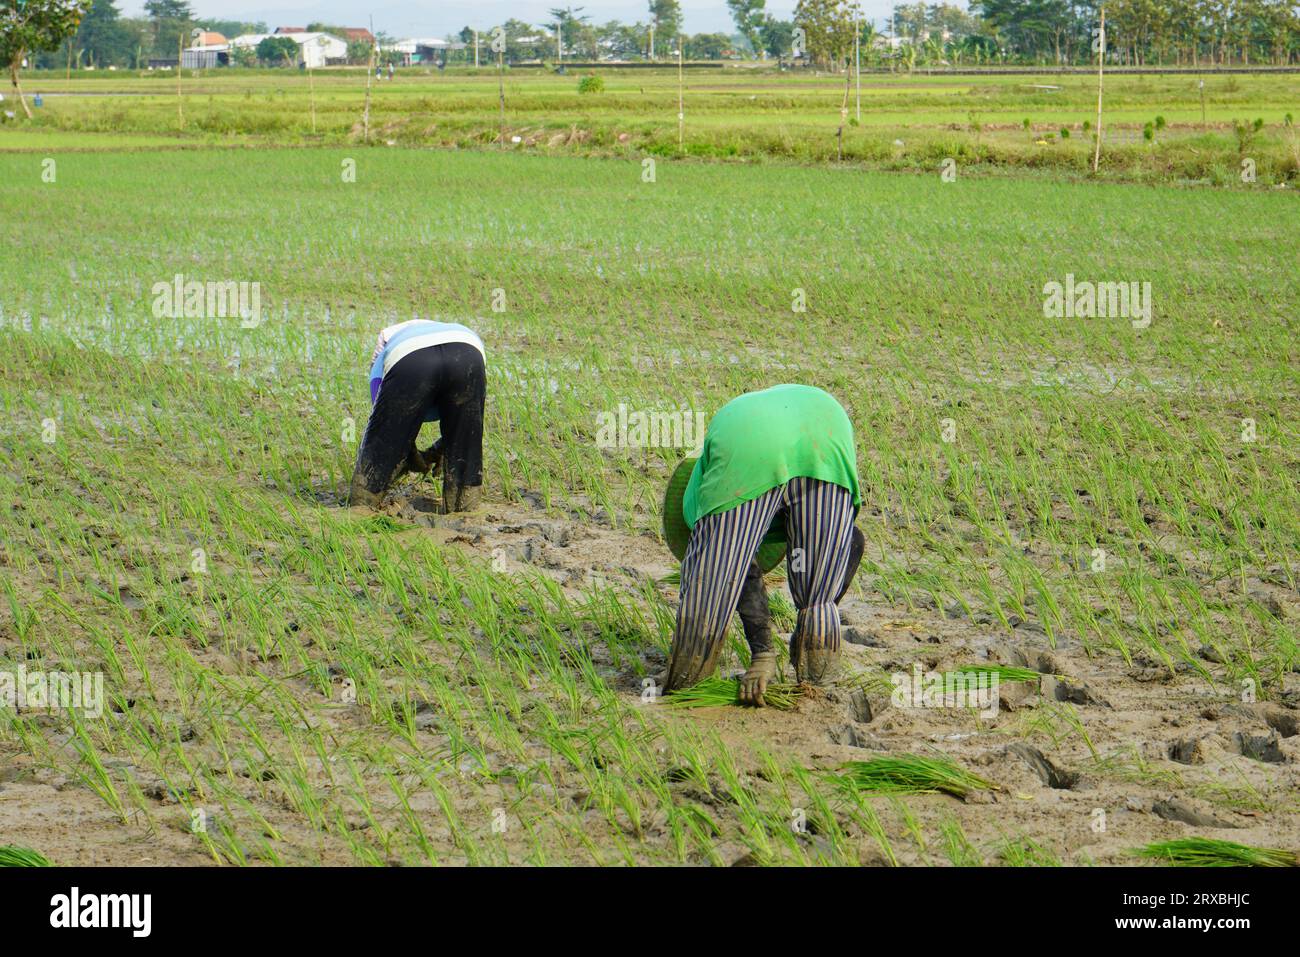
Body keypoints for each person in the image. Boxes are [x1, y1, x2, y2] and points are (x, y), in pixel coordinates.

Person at [660, 384, 865, 705]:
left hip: (747, 444)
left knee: (707, 591)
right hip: (826, 430)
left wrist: (762, 654)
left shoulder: (697, 499)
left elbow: (735, 570)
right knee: (818, 596)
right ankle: (816, 694)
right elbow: (850, 540)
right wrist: (816, 608)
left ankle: (685, 689)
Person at [349, 320, 486, 513]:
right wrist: (443, 446)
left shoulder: (385, 353)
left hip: (410, 358)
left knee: (380, 450)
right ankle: (465, 513)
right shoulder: (454, 334)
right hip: (468, 351)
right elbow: (468, 424)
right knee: (466, 450)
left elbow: (388, 426)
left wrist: (405, 452)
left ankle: (361, 509)